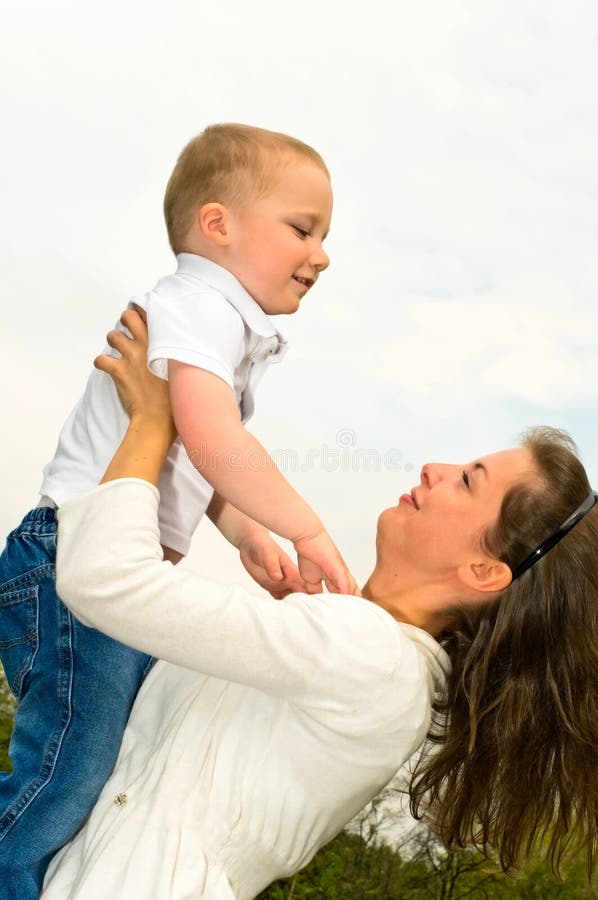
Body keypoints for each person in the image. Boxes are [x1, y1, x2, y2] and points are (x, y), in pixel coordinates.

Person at [40, 311, 597, 898]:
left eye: (467, 481)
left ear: (482, 571)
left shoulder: (369, 656)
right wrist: (248, 530)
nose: (436, 469)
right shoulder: (365, 655)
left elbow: (105, 580)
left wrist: (152, 423)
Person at [0, 124, 357, 899]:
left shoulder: (224, 326)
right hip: (69, 565)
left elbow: (200, 465)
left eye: (325, 235)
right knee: (68, 771)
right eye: (303, 228)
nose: (321, 254)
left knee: (99, 770)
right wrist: (305, 527)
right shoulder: (200, 302)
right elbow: (209, 436)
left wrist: (248, 537)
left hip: (113, 580)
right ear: (218, 225)